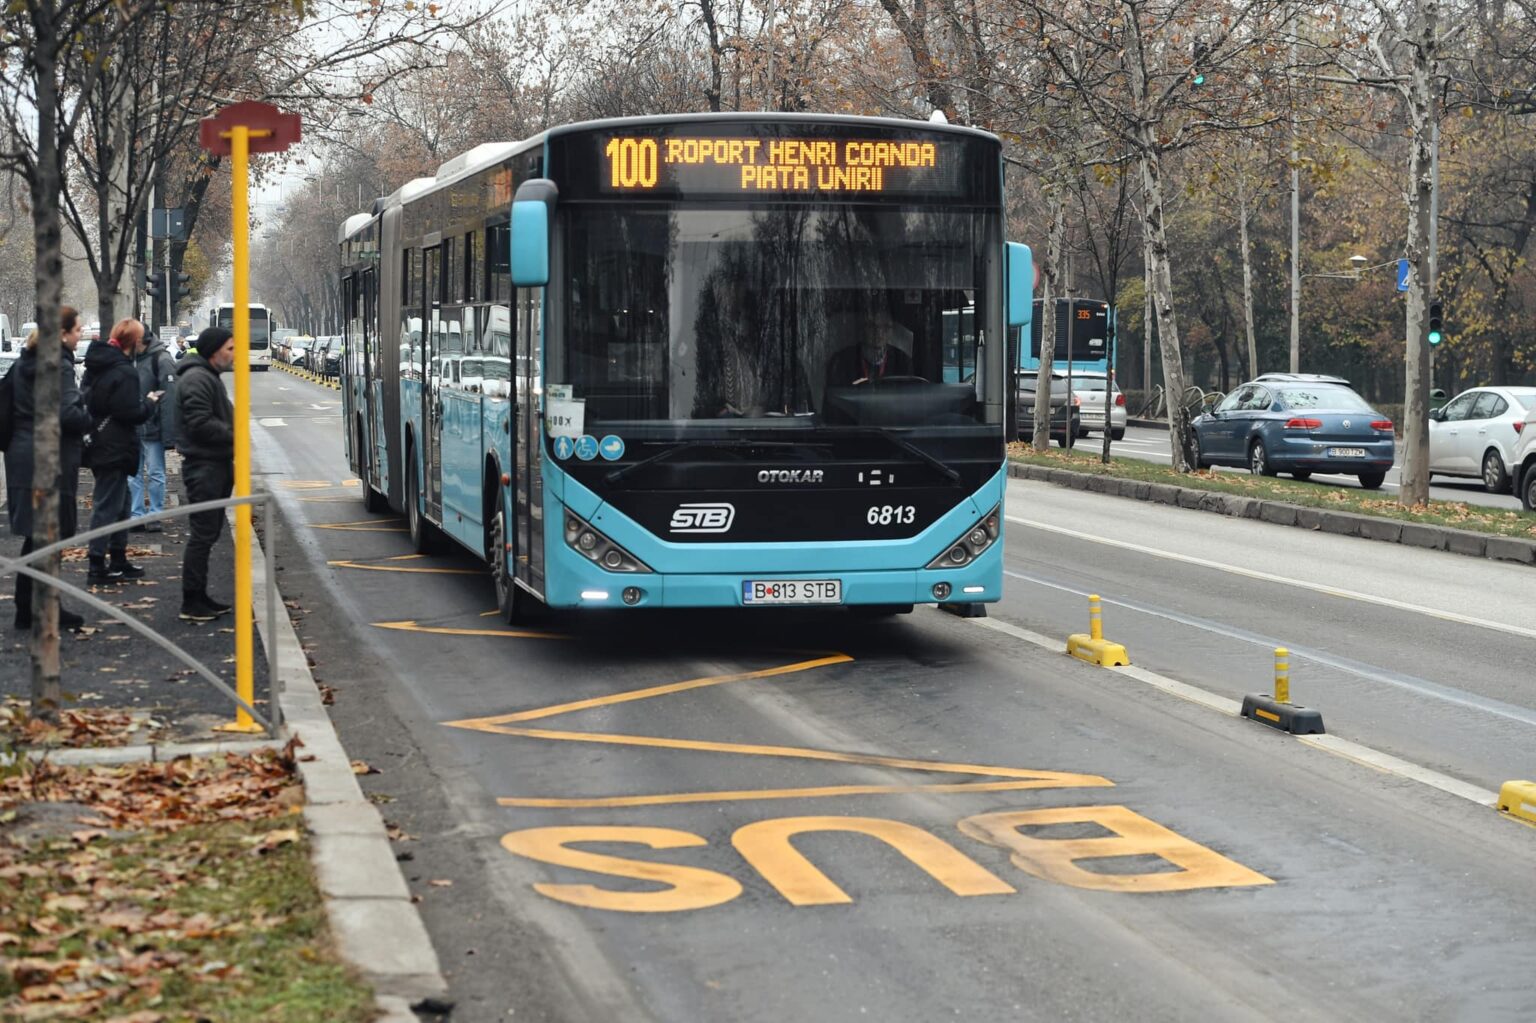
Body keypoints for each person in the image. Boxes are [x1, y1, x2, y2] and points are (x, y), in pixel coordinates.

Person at [4, 309, 93, 630]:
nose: (80, 334)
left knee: (37, 536)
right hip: (50, 459)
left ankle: (27, 609)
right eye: (77, 329)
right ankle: (45, 609)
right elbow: (69, 413)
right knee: (51, 536)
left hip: (22, 456)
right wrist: (89, 412)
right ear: (63, 334)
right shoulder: (59, 366)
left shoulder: (22, 363)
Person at [81, 318, 161, 582]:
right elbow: (131, 413)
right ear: (134, 342)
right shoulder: (124, 371)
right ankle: (97, 565)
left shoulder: (97, 365)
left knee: (122, 503)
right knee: (108, 505)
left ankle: (117, 558)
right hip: (114, 446)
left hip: (101, 441)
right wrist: (149, 403)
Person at [174, 327, 235, 622]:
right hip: (205, 467)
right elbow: (199, 422)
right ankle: (191, 601)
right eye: (229, 348)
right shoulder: (198, 379)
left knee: (208, 534)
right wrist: (232, 434)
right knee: (202, 535)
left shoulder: (206, 377)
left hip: (213, 465)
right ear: (213, 351)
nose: (234, 354)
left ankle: (199, 596)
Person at [128, 329, 178, 532]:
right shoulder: (132, 358)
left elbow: (169, 398)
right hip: (134, 426)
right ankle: (137, 515)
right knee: (134, 474)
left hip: (152, 427)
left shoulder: (162, 360)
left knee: (155, 472)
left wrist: (169, 435)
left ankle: (154, 514)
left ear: (139, 339)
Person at [825, 314, 913, 389]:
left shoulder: (902, 360)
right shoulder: (842, 360)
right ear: (862, 329)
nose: (878, 332)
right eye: (872, 326)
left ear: (891, 331)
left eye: (885, 326)